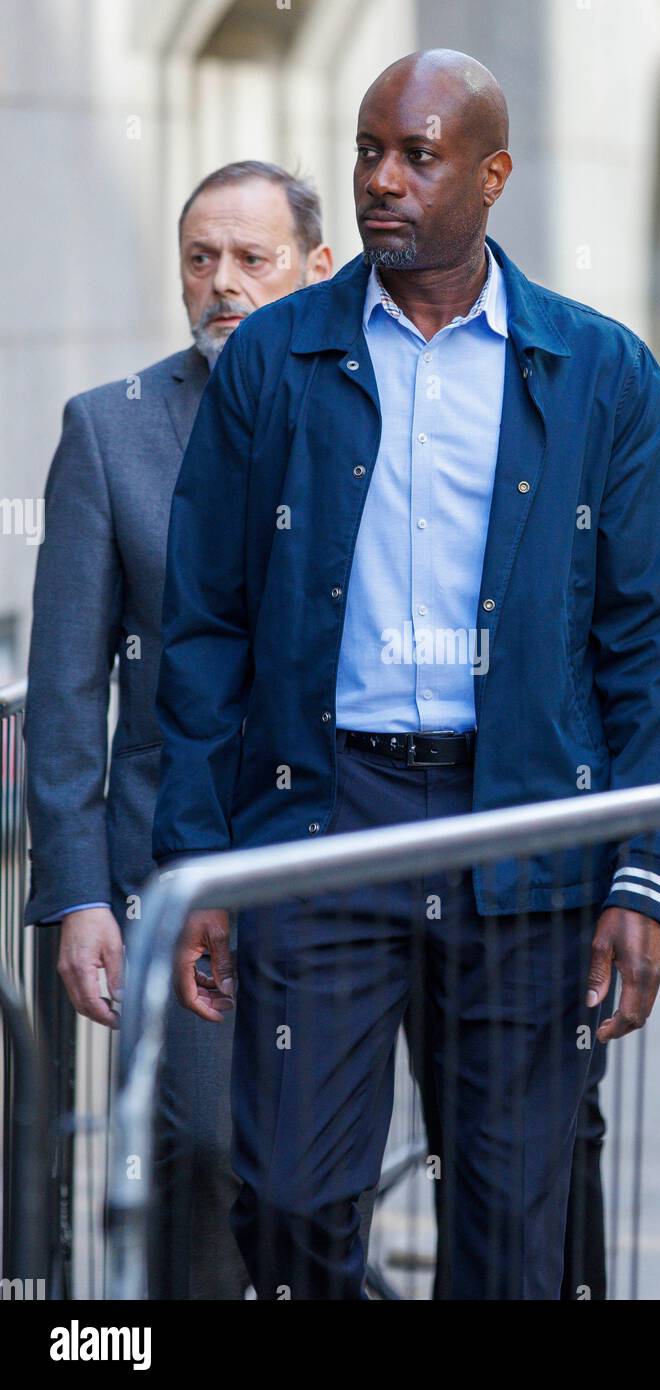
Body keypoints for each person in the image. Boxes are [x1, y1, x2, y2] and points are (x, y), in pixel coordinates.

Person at [153, 49, 660, 1301]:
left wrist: (640, 872)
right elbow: (203, 627)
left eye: (417, 155)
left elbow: (650, 632)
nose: (380, 182)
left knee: (515, 1224)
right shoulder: (274, 362)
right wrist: (198, 863)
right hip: (323, 821)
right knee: (289, 1193)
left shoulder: (596, 371)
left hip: (524, 825)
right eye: (366, 151)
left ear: (492, 174)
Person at [24, 160, 333, 1298]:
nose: (222, 284)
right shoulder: (109, 431)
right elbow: (64, 687)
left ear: (316, 268)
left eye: (252, 259)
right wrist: (76, 892)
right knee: (198, 1147)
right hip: (173, 872)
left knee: (318, 1172)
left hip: (356, 856)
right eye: (200, 258)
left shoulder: (376, 418)